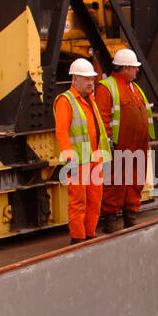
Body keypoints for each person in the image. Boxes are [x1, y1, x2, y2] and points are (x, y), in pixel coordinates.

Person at [94, 48, 154, 230]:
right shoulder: (108, 87)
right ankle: (111, 219)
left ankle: (130, 216)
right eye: (134, 67)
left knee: (135, 180)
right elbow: (102, 118)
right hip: (120, 145)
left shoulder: (134, 88)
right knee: (116, 181)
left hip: (138, 144)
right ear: (126, 67)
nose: (137, 70)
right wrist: (109, 142)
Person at [55, 58, 111, 244]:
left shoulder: (90, 99)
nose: (90, 82)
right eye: (86, 79)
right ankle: (78, 239)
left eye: (92, 79)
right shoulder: (66, 101)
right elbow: (61, 133)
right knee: (78, 202)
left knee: (95, 200)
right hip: (78, 162)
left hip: (94, 158)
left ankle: (89, 235)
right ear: (75, 80)